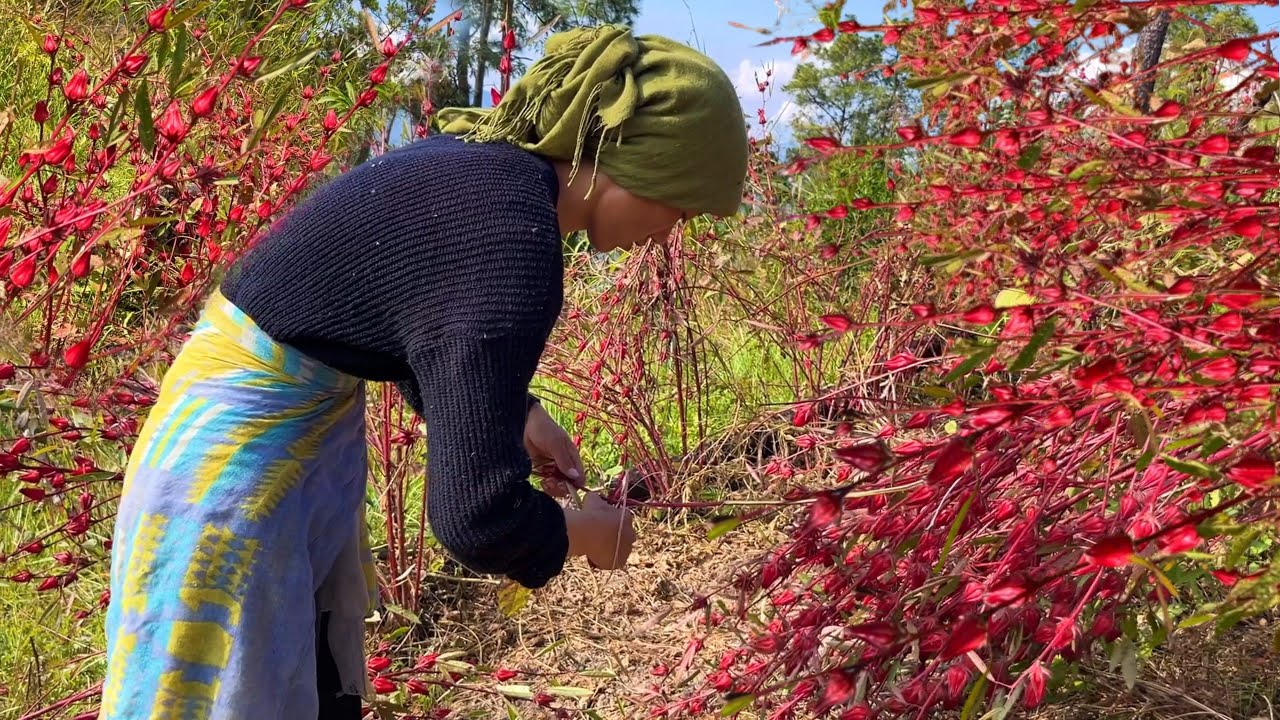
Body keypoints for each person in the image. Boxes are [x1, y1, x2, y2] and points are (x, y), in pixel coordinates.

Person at [98, 24, 748, 720]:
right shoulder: (514, 240)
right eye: (681, 201)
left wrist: (520, 416)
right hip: (233, 486)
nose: (671, 230)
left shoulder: (479, 172)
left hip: (219, 452)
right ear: (632, 157)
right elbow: (475, 518)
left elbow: (397, 324)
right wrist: (588, 533)